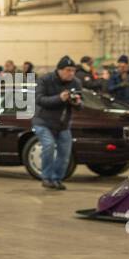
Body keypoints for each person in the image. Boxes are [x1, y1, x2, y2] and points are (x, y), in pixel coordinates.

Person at [33, 55, 81, 190]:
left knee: (65, 152)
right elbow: (40, 100)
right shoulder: (45, 80)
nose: (71, 73)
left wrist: (77, 103)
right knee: (49, 145)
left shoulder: (76, 83)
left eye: (73, 70)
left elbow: (80, 105)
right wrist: (59, 98)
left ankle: (57, 179)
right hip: (43, 122)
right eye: (68, 70)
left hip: (63, 124)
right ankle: (46, 178)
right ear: (59, 70)